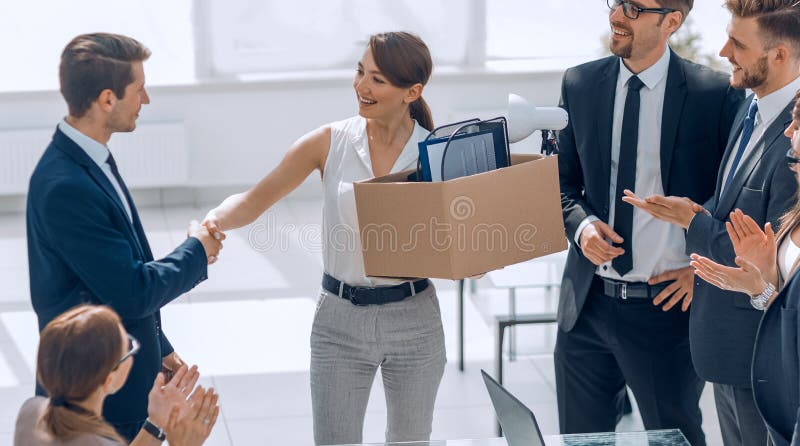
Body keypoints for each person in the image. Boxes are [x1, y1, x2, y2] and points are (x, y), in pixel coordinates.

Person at [201, 32, 444, 445]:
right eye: (360, 72)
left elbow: (460, 236)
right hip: (339, 321)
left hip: (415, 319)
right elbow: (255, 198)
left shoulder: (436, 150)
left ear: (412, 92)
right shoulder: (329, 142)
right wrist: (212, 220)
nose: (362, 86)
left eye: (378, 80)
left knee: (411, 442)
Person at [555, 0, 744, 444]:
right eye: (617, 3)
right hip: (586, 305)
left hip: (666, 312)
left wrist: (708, 276)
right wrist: (582, 227)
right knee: (580, 441)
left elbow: (736, 203)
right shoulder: (580, 84)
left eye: (635, 9)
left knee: (674, 438)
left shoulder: (715, 94)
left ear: (671, 22)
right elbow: (560, 183)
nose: (617, 16)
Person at [26, 33, 223, 441]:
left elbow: (109, 277)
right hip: (96, 395)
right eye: (139, 89)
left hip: (123, 374)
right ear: (107, 99)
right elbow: (132, 289)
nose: (146, 100)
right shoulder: (65, 185)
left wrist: (159, 345)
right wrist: (198, 250)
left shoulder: (91, 158)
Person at [623, 2, 800, 445]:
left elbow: (768, 258)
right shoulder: (748, 109)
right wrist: (695, 209)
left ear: (779, 55)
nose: (723, 52)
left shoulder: (796, 138)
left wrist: (692, 221)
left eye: (738, 44)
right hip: (725, 346)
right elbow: (730, 206)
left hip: (760, 355)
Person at [690, 92, 800, 446]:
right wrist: (761, 285)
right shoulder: (795, 212)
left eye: (798, 121)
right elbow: (787, 312)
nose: (788, 131)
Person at [14, 305, 219, 446]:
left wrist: (157, 423)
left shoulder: (30, 411)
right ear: (109, 380)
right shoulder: (99, 442)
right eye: (128, 347)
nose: (133, 347)